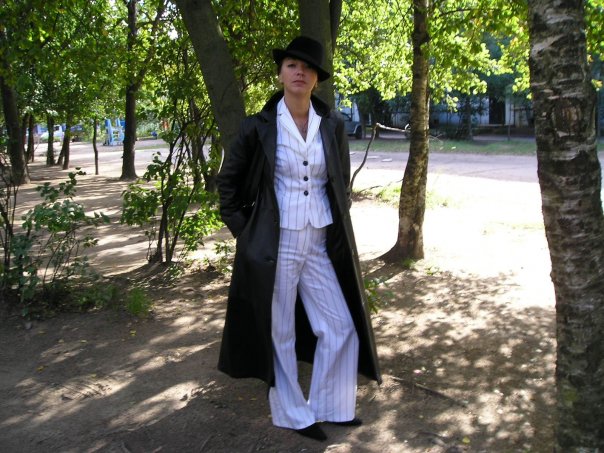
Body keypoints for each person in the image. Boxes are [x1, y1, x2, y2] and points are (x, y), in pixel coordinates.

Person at [216, 35, 381, 442]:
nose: (299, 72)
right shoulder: (258, 126)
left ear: (316, 79)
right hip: (277, 243)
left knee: (340, 326)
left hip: (320, 240)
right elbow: (228, 185)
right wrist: (246, 233)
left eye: (307, 68)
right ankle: (292, 413)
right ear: (280, 74)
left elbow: (338, 181)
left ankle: (330, 406)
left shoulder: (332, 124)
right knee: (281, 330)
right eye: (292, 65)